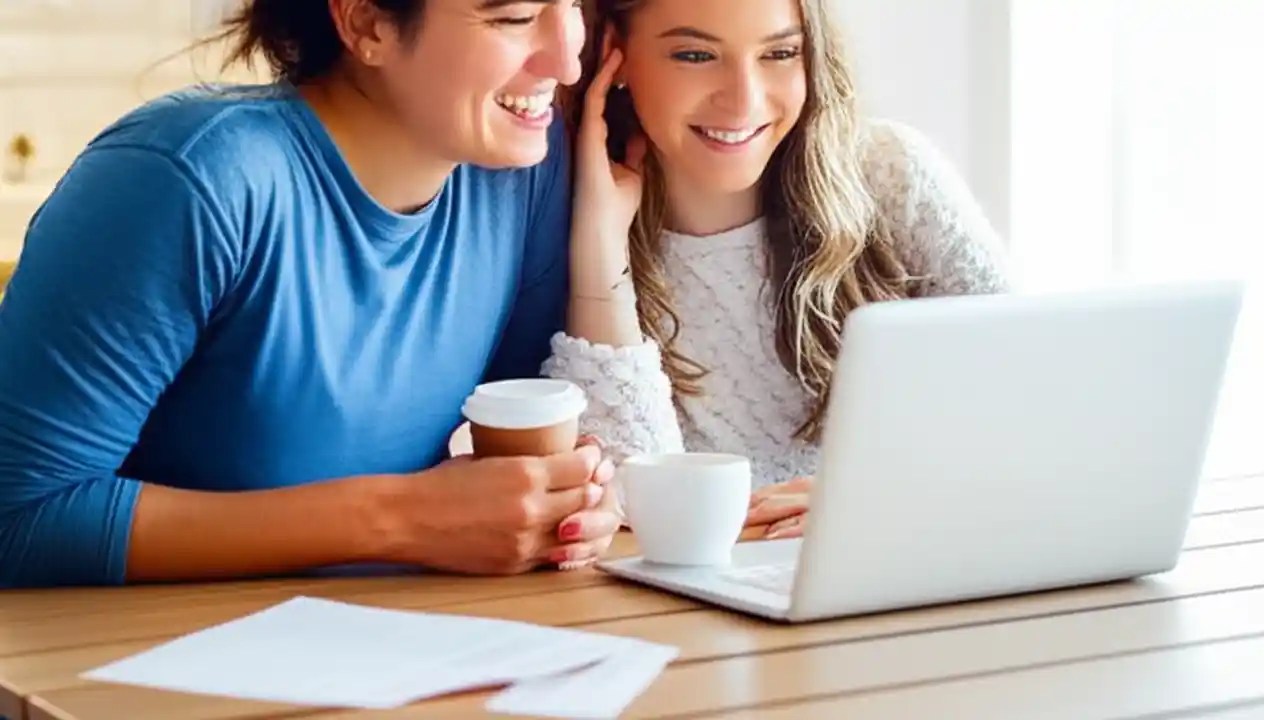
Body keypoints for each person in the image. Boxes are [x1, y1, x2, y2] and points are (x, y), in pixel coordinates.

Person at [0, 0, 624, 589]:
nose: (566, 62)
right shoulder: (191, 179)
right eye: (513, 16)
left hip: (393, 662)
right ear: (366, 24)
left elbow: (520, 435)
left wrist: (566, 504)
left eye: (570, 5)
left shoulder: (520, 175)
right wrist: (397, 519)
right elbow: (17, 513)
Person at [542, 0, 1013, 538]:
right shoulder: (559, 228)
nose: (744, 98)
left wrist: (889, 498)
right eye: (695, 55)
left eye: (781, 53)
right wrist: (603, 253)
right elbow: (638, 510)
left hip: (898, 567)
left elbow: (1033, 407)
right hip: (692, 608)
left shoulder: (892, 177)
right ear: (614, 56)